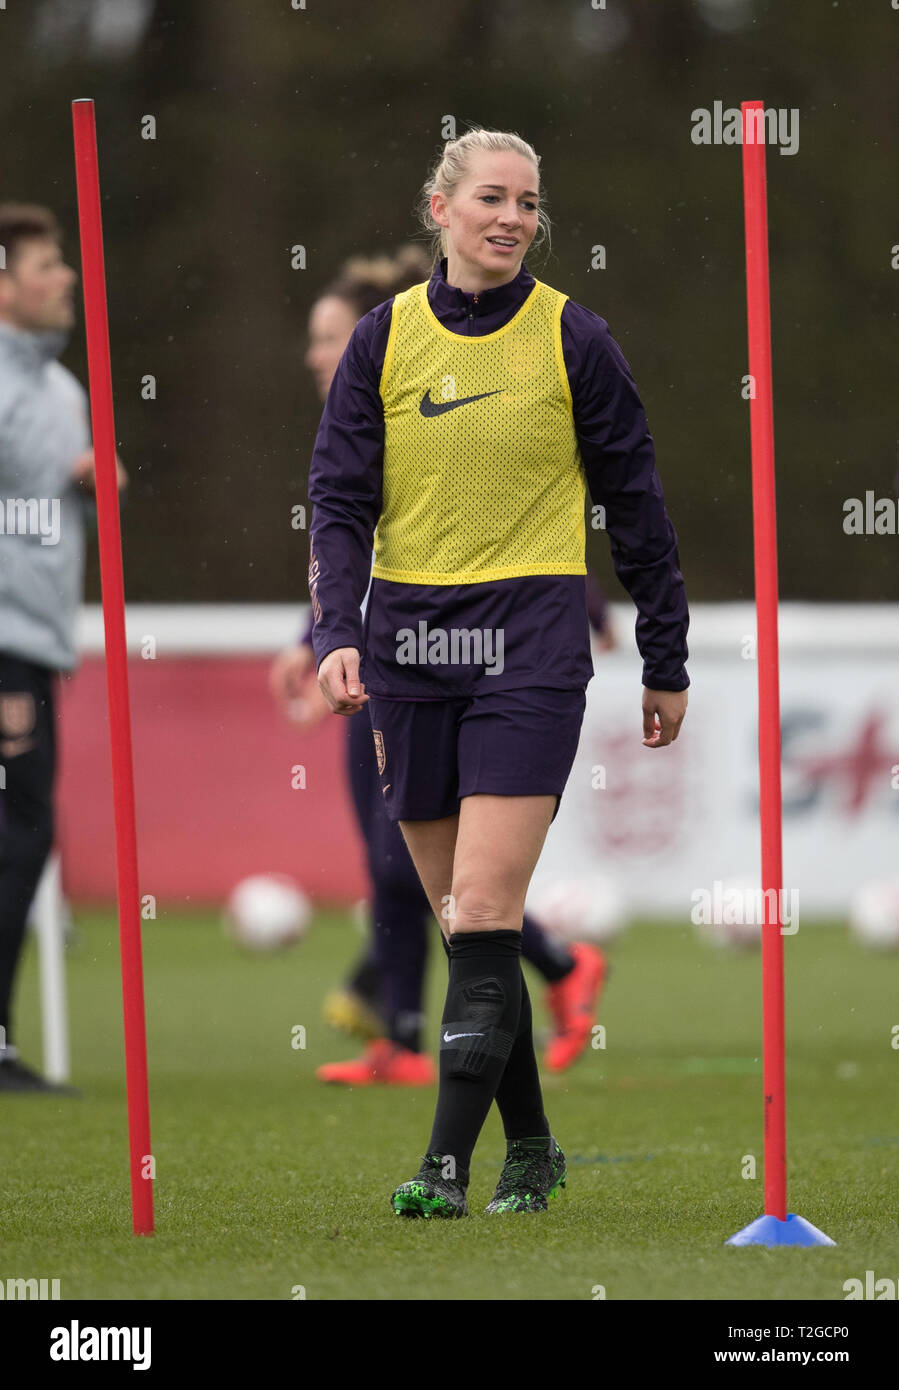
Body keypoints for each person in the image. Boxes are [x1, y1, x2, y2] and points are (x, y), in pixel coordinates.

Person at [308, 128, 689, 1217]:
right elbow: (337, 499)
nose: (512, 217)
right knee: (467, 926)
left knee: (480, 903)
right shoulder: (382, 340)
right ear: (440, 209)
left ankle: (442, 1167)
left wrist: (664, 653)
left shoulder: (575, 337)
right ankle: (531, 1148)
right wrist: (336, 629)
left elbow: (636, 504)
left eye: (526, 201)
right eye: (490, 197)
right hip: (408, 649)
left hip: (528, 644)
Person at [271, 250, 610, 1085]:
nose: (316, 353)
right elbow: (353, 542)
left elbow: (502, 526)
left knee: (412, 865)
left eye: (328, 336)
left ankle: (548, 969)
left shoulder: (424, 386)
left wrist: (590, 606)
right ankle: (408, 1034)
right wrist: (315, 639)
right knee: (391, 863)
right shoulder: (364, 406)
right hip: (384, 661)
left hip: (440, 662)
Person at [0, 203, 125, 1093]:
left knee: (24, 832)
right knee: (18, 831)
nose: (66, 277)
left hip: (36, 643)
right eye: (46, 264)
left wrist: (88, 487)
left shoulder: (63, 391)